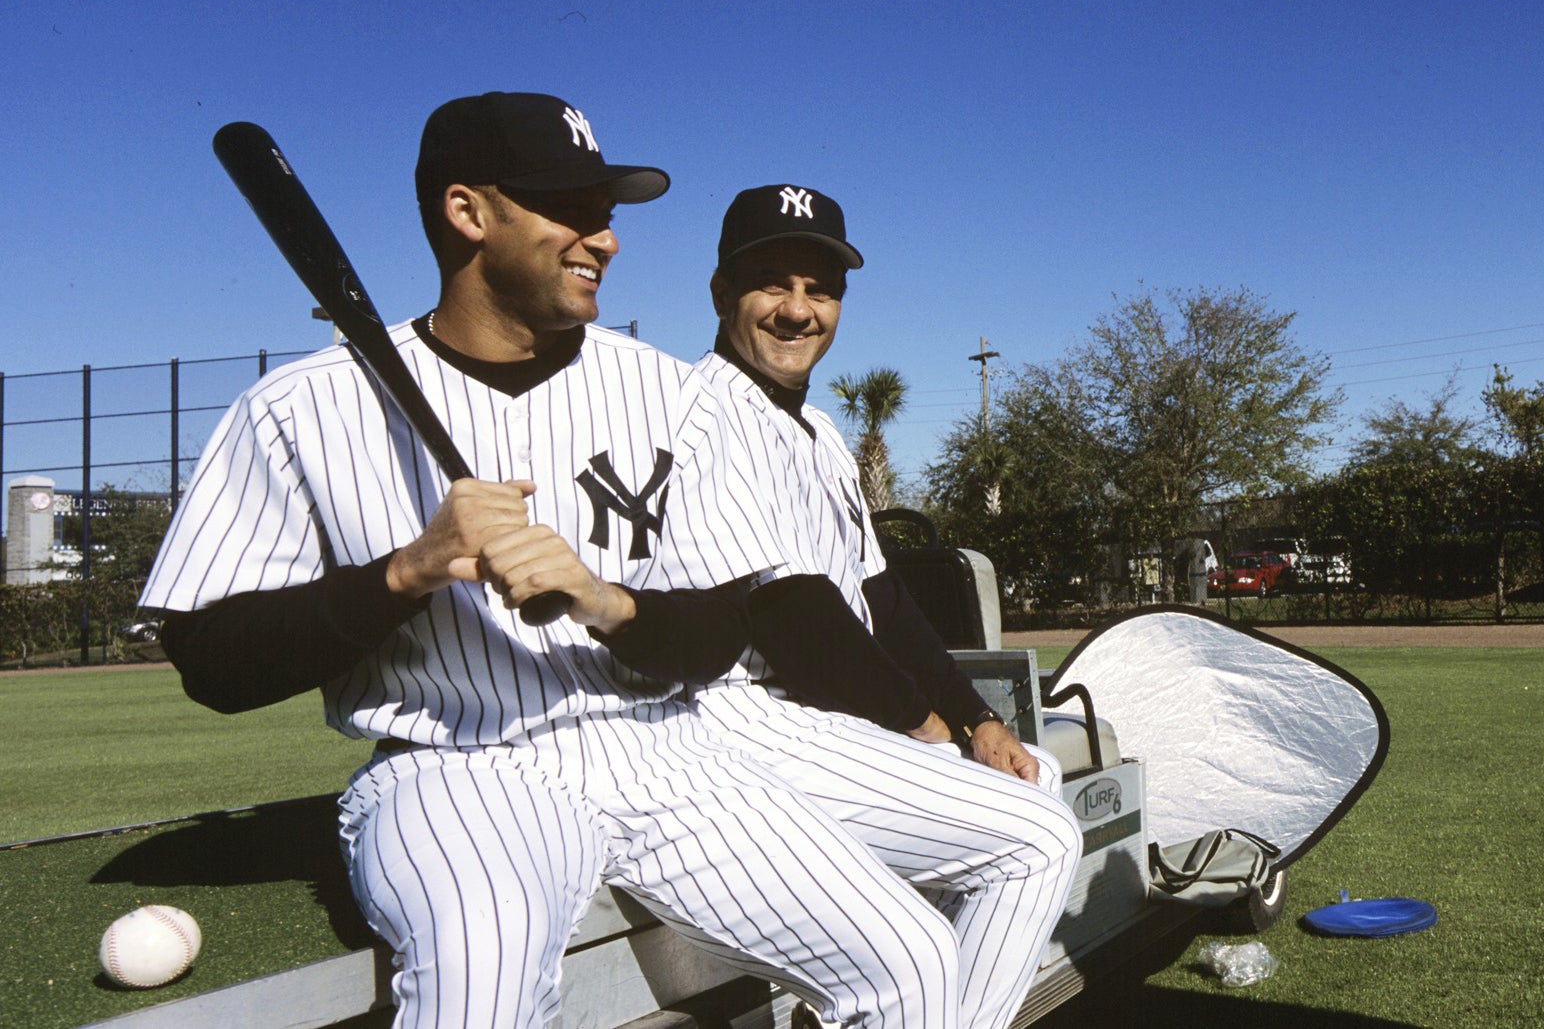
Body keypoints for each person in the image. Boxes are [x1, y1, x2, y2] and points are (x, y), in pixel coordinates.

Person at [143, 93, 967, 1029]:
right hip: (460, 765)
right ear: (468, 212)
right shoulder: (303, 406)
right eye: (570, 208)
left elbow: (720, 628)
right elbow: (213, 661)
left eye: (606, 213)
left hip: (667, 746)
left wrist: (602, 598)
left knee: (913, 961)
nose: (604, 238)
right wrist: (407, 571)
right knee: (478, 989)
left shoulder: (673, 393)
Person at [687, 182, 1079, 1029]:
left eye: (820, 289)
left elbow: (884, 599)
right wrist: (924, 727)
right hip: (744, 715)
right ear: (721, 292)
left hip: (822, 712)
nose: (798, 310)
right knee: (1038, 839)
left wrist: (978, 719)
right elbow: (792, 618)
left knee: (1034, 773)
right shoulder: (706, 416)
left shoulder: (820, 433)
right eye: (772, 283)